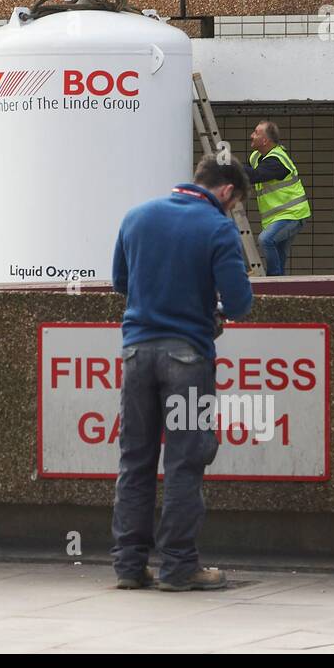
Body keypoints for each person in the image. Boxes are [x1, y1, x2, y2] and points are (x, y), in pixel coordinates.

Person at [110, 155, 254, 592]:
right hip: (188, 358)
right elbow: (241, 302)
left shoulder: (137, 217)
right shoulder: (218, 228)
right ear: (226, 192)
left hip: (135, 355)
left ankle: (129, 567)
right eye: (235, 204)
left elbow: (120, 281)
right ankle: (178, 567)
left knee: (135, 461)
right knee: (184, 463)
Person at [247, 121, 311, 276]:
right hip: (278, 217)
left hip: (292, 214)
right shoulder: (256, 157)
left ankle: (273, 282)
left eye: (256, 132)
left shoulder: (277, 160)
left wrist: (228, 166)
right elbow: (248, 175)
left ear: (264, 141)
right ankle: (281, 287)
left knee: (266, 240)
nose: (251, 135)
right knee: (279, 252)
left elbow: (256, 175)